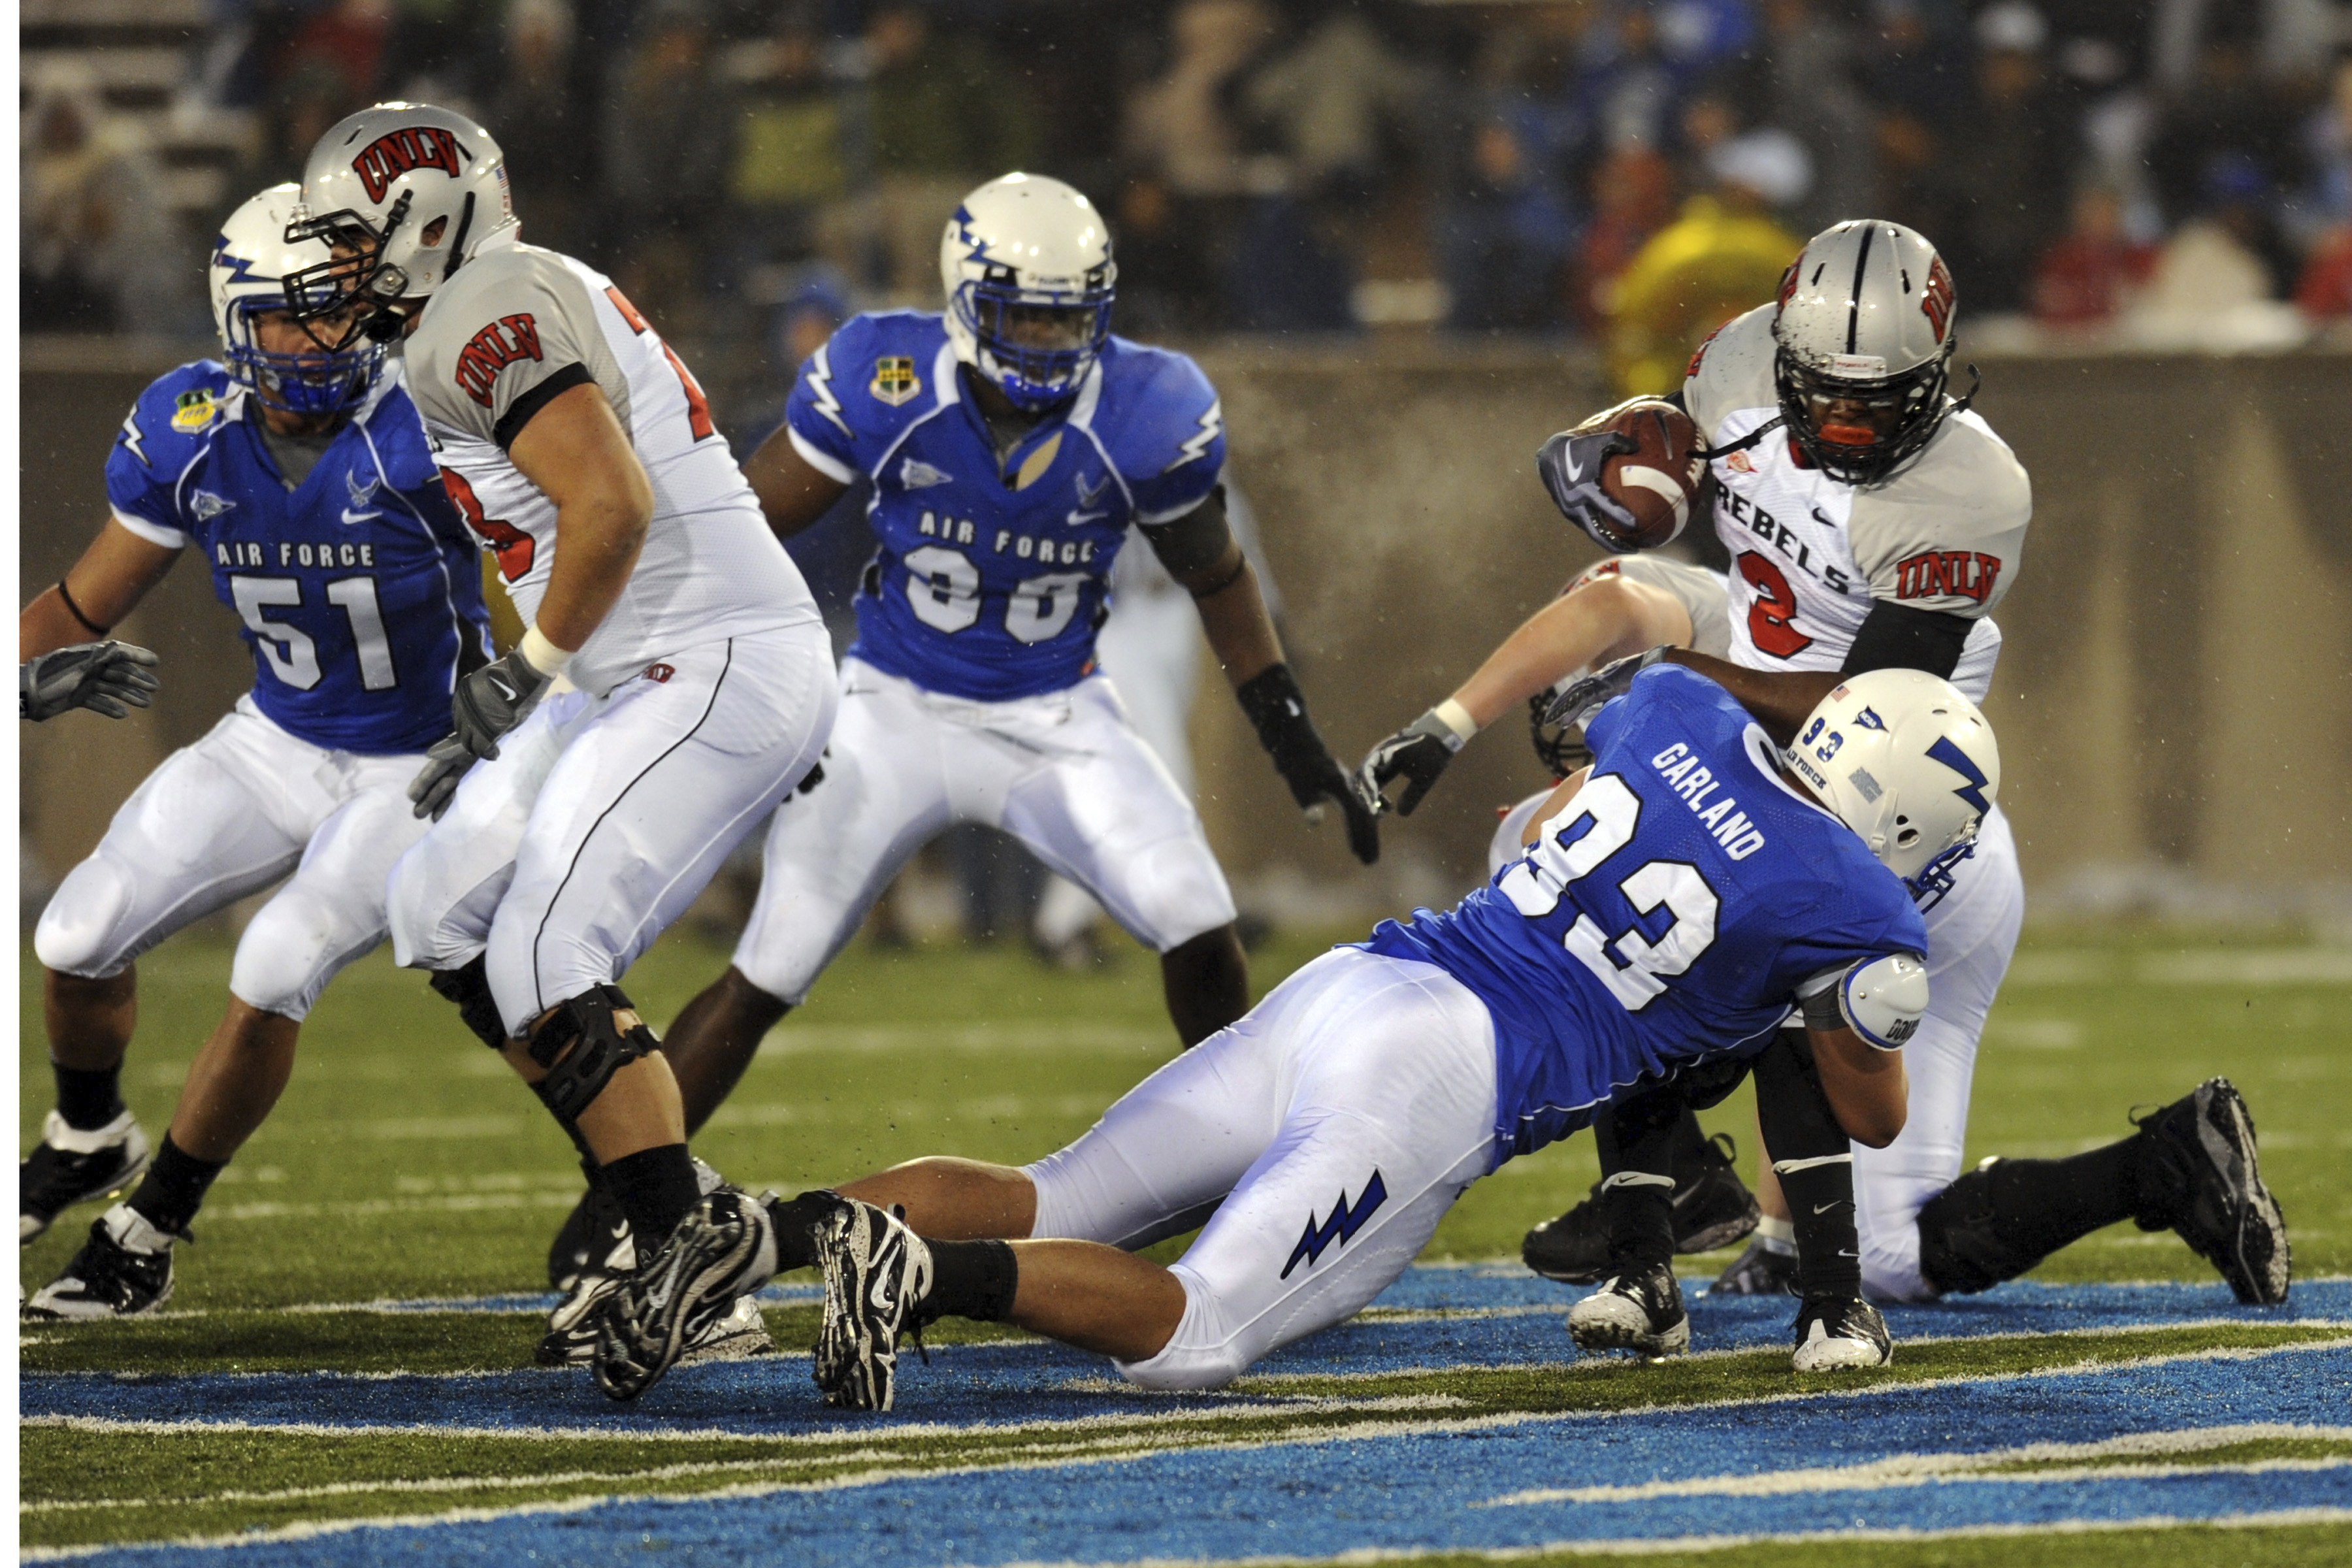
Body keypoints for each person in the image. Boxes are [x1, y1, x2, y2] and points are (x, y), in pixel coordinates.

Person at [593, 662, 2001, 1407]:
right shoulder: (1857, 901)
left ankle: (755, 1233)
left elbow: (1570, 782)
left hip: (1365, 977)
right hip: (1444, 1076)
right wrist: (1845, 1005)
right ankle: (918, 1273)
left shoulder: (1682, 708)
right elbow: (1867, 1120)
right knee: (1197, 1337)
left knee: (1064, 1190)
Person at [540, 171, 1379, 1303]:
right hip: (891, 708)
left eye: (1067, 315)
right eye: (1024, 313)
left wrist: (1288, 733)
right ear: (966, 301)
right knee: (771, 965)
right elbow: (746, 521)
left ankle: (1243, 1169)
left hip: (1055, 714)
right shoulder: (883, 376)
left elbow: (1216, 574)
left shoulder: (1149, 405)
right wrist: (639, 644)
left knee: (1197, 922)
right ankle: (621, 1203)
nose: (1046, 339)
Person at [1526, 218, 2287, 1334]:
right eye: (1820, 393)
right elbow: (1680, 472)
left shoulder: (1973, 490)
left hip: (1905, 844)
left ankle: (1696, 1200)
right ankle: (2163, 1158)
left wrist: (1670, 680)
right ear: (1780, 357)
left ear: (1935, 377)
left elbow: (1862, 707)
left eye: (1871, 401)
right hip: (1782, 793)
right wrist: (1619, 455)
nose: (1838, 423)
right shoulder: (1737, 364)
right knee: (1555, 870)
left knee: (1878, 1237)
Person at [280, 103, 835, 1363]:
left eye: (354, 241)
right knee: (440, 910)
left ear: (429, 221)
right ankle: (675, 1218)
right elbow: (520, 539)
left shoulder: (483, 304)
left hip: (706, 655)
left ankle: (689, 1268)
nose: (338, 274)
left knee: (544, 945)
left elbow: (610, 501)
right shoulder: (461, 314)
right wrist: (512, 682)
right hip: (634, 665)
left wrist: (525, 674)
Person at [20, 185, 487, 1313]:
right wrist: (28, 679)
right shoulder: (189, 430)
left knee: (276, 961)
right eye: (299, 313)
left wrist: (525, 699)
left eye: (345, 308)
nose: (328, 336)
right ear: (240, 319)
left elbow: (543, 573)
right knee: (75, 935)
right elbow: (78, 607)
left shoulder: (423, 423)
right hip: (275, 735)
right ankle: (89, 1132)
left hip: (423, 759)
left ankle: (153, 1224)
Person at [1358, 549, 1760, 1264]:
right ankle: (1737, 1210)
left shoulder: (1684, 616)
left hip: (1820, 869)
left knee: (1538, 858)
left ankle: (1699, 1196)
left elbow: (1609, 608)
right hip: (1820, 862)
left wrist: (1447, 723)